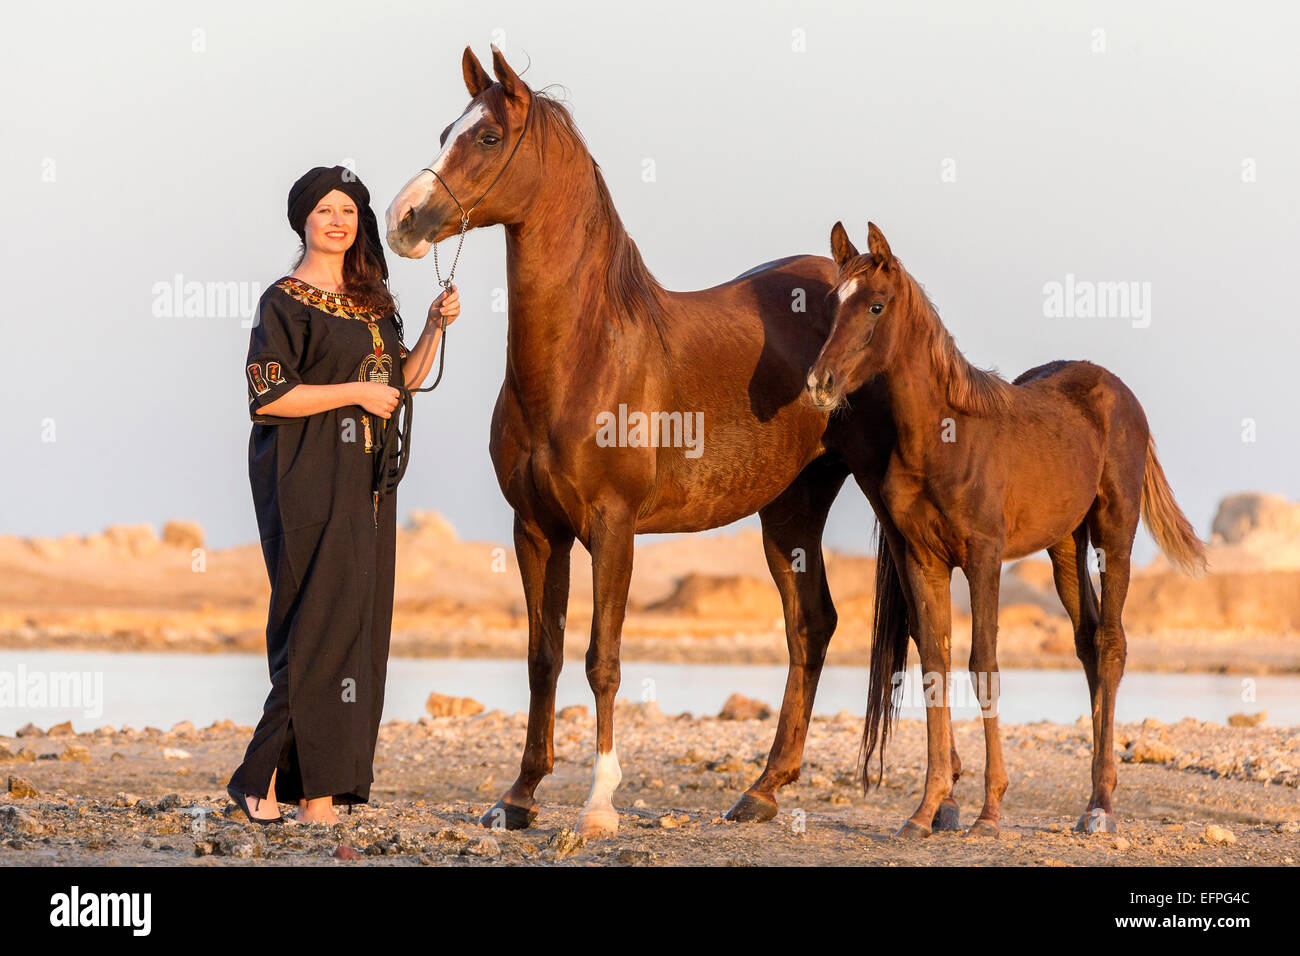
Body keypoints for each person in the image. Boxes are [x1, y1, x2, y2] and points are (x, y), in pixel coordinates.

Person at [227, 165, 459, 824]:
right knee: (316, 627)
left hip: (365, 482)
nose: (336, 220)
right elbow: (270, 396)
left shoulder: (374, 300)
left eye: (348, 210)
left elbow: (401, 381)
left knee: (357, 631)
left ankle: (320, 796)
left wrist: (437, 327)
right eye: (324, 209)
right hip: (301, 475)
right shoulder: (285, 300)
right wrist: (354, 393)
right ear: (304, 219)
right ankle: (256, 782)